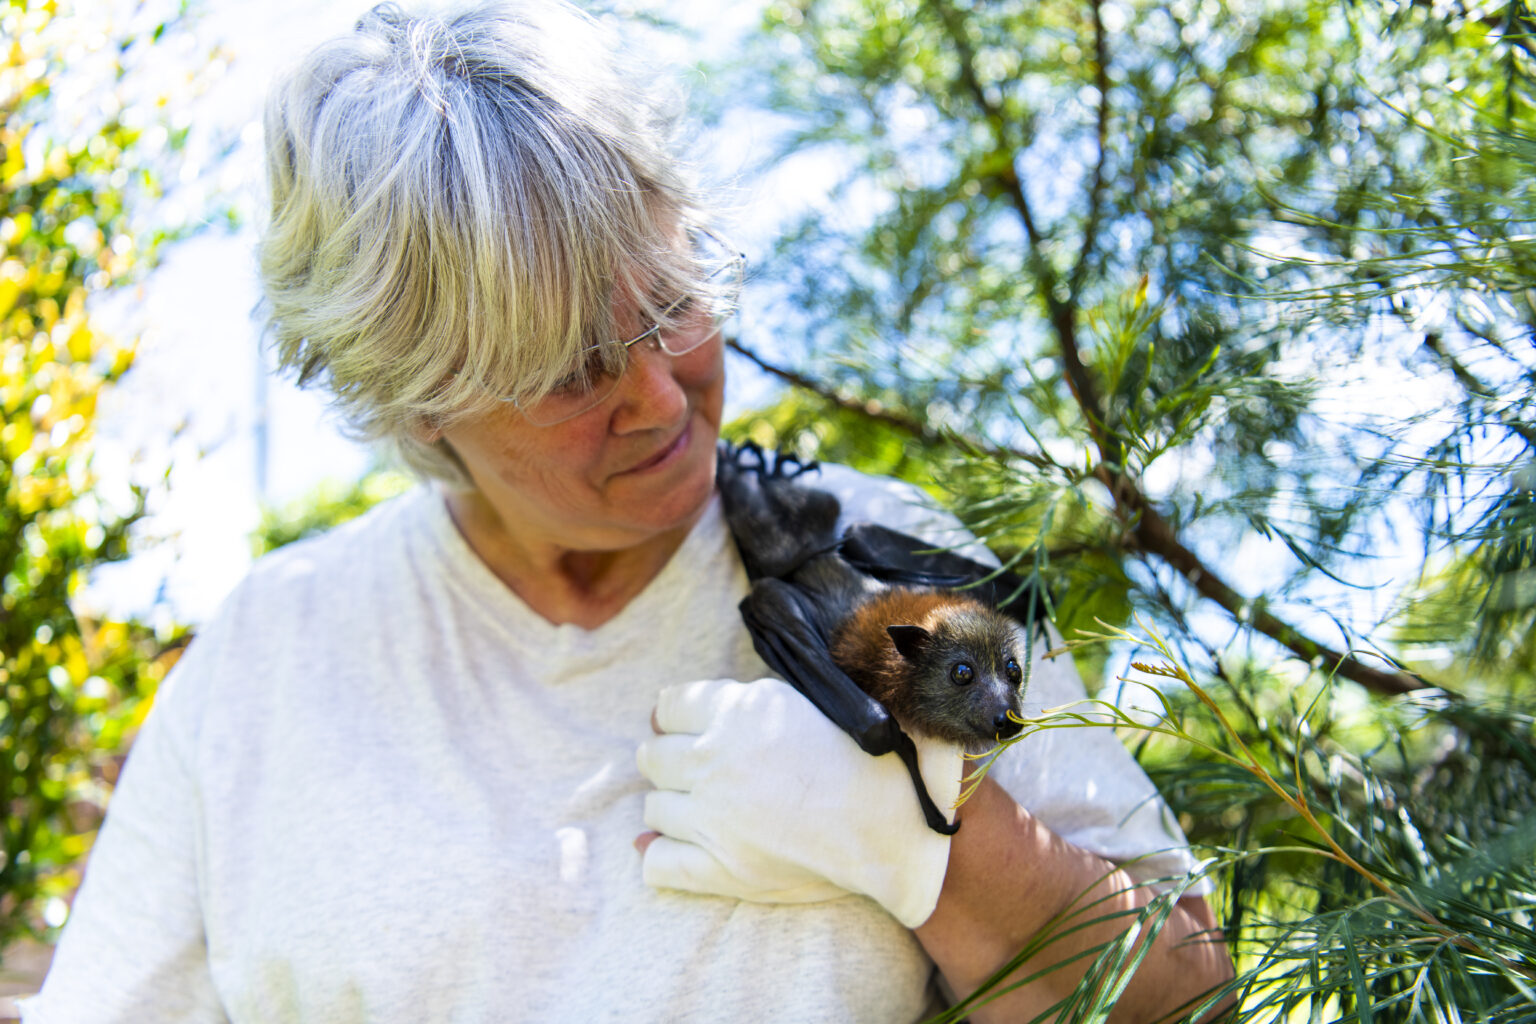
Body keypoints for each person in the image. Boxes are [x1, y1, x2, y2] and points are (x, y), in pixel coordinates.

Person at [24, 2, 1233, 1021]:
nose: (661, 397)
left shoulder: (886, 575)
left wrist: (926, 845)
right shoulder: (267, 659)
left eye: (670, 306)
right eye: (571, 370)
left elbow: (1186, 994)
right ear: (417, 400)